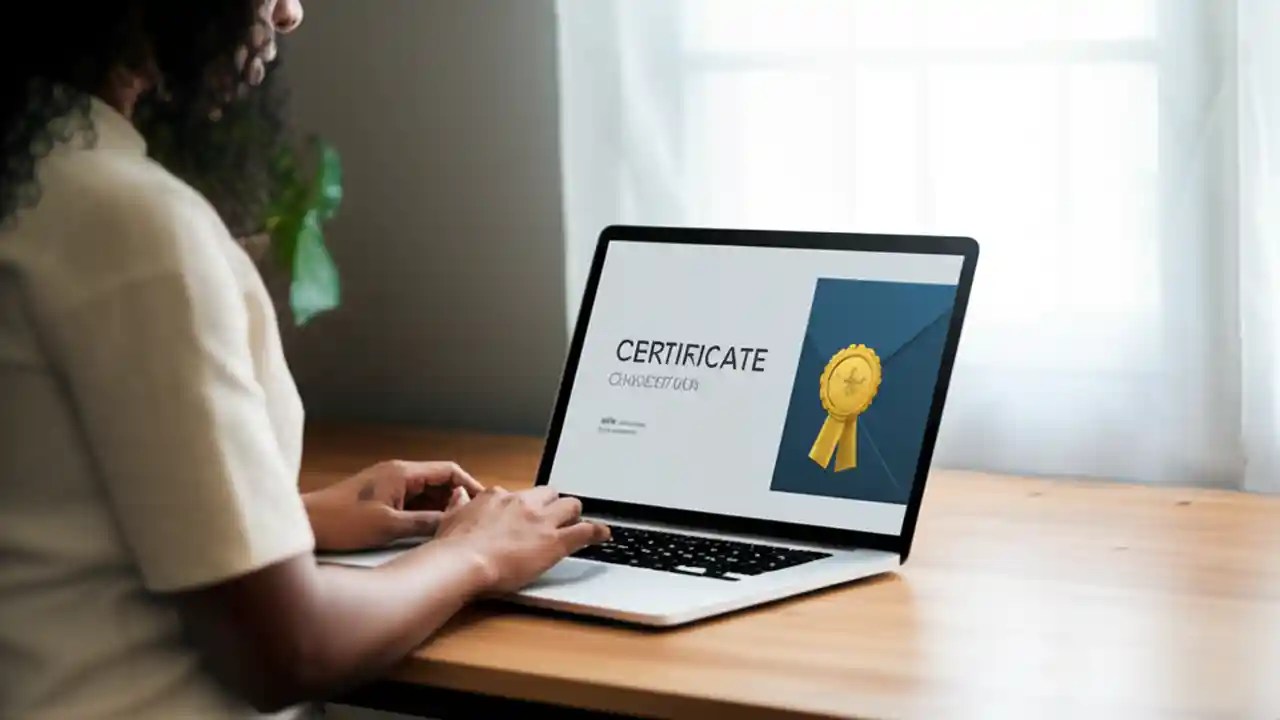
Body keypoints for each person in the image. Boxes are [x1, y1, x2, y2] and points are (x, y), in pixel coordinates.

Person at [0, 2, 610, 718]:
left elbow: (45, 516)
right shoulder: (130, 223)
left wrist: (295, 519)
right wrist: (474, 554)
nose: (288, 12)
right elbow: (289, 650)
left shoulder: (36, 181)